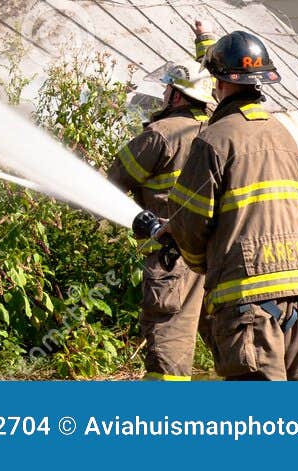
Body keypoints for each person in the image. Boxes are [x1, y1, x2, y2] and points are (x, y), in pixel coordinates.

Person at [168, 30, 298, 380]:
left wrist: (199, 261)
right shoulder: (283, 134)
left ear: (218, 83)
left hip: (247, 303)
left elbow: (188, 222)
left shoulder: (215, 140)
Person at [108, 59, 216, 380]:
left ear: (178, 96)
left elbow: (113, 181)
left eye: (169, 88)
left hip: (174, 261)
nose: (164, 93)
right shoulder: (219, 130)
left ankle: (164, 422)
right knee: (230, 343)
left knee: (168, 349)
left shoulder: (160, 135)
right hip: (218, 256)